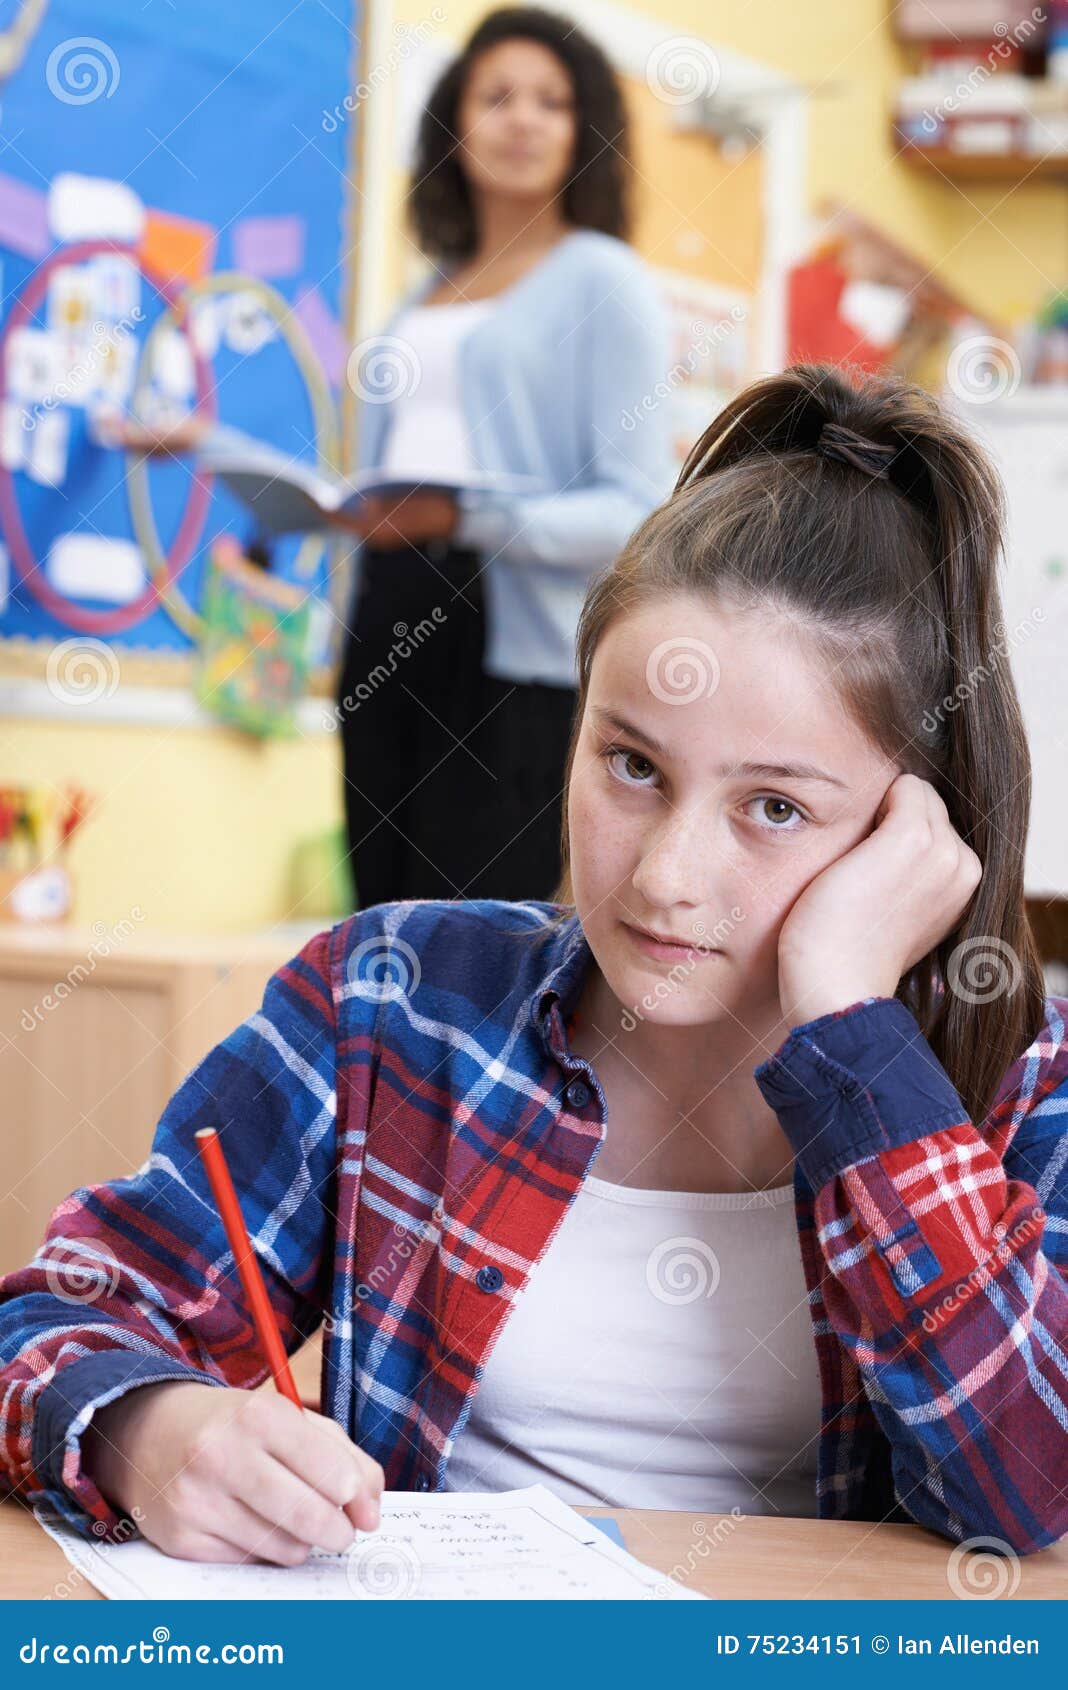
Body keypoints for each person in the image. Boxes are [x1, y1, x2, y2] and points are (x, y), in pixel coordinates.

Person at [3, 364, 1065, 1566]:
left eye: (773, 807)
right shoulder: (386, 1000)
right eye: (632, 764)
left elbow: (1030, 1491)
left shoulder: (1017, 1081)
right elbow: (56, 1310)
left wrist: (855, 1037)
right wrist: (147, 1426)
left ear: (913, 832)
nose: (666, 873)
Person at [334, 6, 671, 906]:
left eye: (551, 102)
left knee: (476, 943)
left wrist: (465, 517)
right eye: (496, 97)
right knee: (378, 928)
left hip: (509, 649)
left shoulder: (605, 280)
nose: (522, 119)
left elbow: (636, 510)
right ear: (454, 123)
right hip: (385, 617)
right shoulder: (419, 298)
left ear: (584, 130)